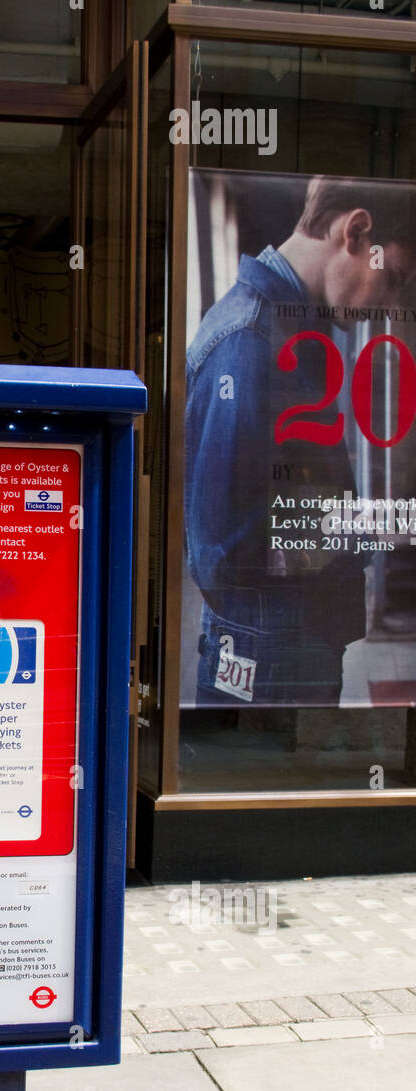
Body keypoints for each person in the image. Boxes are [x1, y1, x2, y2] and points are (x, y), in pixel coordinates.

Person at [185, 175, 416, 706]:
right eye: (393, 276)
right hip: (270, 646)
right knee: (271, 784)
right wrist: (357, 527)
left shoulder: (288, 330)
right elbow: (223, 548)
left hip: (284, 638)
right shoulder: (251, 338)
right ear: (355, 232)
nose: (389, 303)